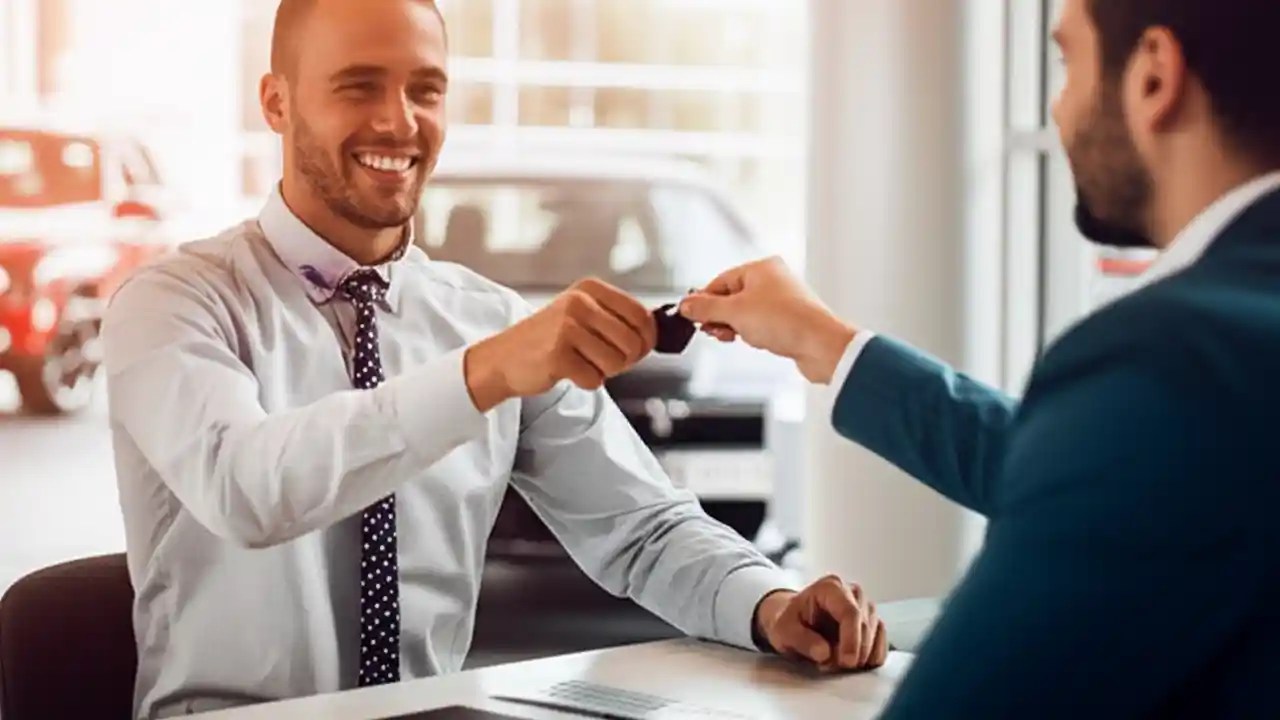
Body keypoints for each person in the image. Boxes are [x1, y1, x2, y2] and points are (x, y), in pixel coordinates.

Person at [100, 1, 886, 717]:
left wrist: (769, 604)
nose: (399, 121)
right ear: (276, 102)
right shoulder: (173, 304)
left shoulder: (487, 319)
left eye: (425, 89)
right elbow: (248, 489)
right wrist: (483, 375)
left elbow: (641, 527)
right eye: (359, 86)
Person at [679, 0, 1280, 717]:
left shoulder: (1170, 356)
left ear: (1154, 77)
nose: (1058, 109)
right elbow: (1129, 483)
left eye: (1067, 63)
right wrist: (829, 346)